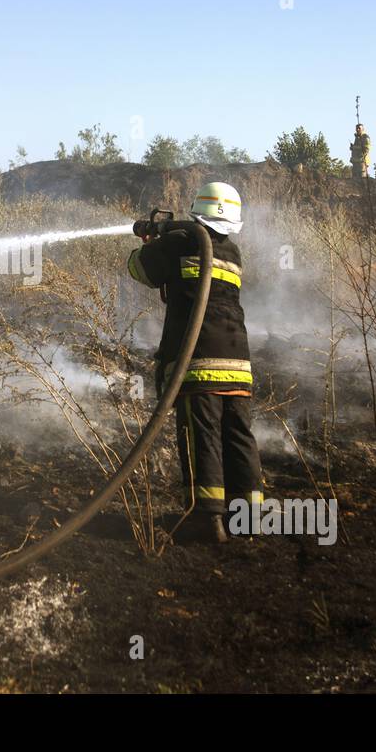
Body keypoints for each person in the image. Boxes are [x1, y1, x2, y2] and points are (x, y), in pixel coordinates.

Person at [126, 182, 263, 543]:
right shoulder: (232, 251)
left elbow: (140, 270)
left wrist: (151, 241)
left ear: (195, 211)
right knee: (238, 436)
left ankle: (205, 518)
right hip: (237, 357)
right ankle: (246, 517)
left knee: (201, 435)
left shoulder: (180, 241)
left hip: (198, 358)